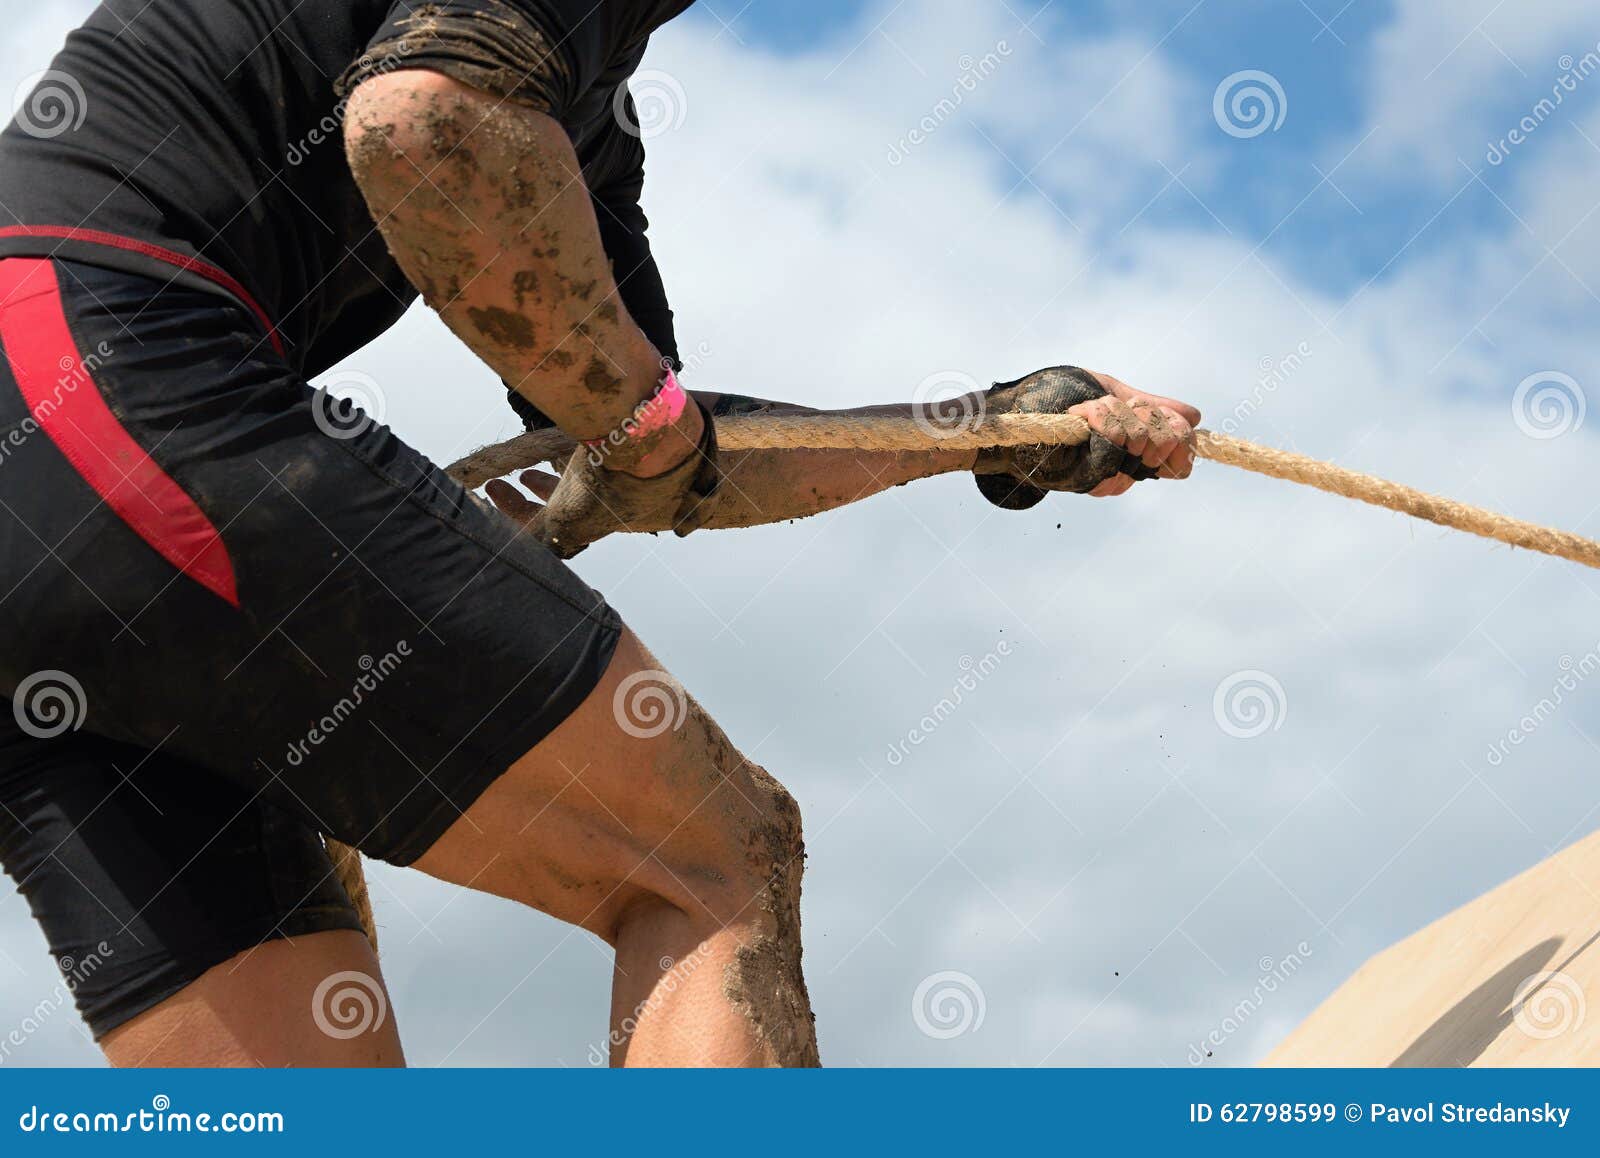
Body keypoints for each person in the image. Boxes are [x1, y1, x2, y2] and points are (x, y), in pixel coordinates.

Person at [0, 0, 1201, 1067]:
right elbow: (422, 118)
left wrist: (987, 430)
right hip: (85, 372)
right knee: (712, 862)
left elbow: (670, 453)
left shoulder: (577, 113)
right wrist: (636, 431)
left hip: (58, 502)